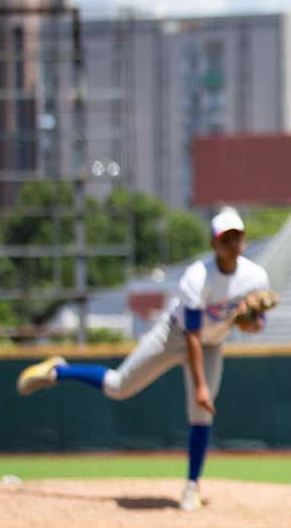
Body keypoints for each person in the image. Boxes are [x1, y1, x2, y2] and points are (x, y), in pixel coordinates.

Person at [15, 207, 273, 512]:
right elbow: (191, 334)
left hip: (212, 344)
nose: (233, 244)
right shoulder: (198, 276)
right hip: (174, 335)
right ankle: (59, 370)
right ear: (214, 243)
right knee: (118, 386)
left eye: (237, 237)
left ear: (244, 240)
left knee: (202, 414)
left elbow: (255, 326)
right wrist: (200, 384)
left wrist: (250, 322)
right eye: (226, 238)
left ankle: (192, 487)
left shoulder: (255, 276)